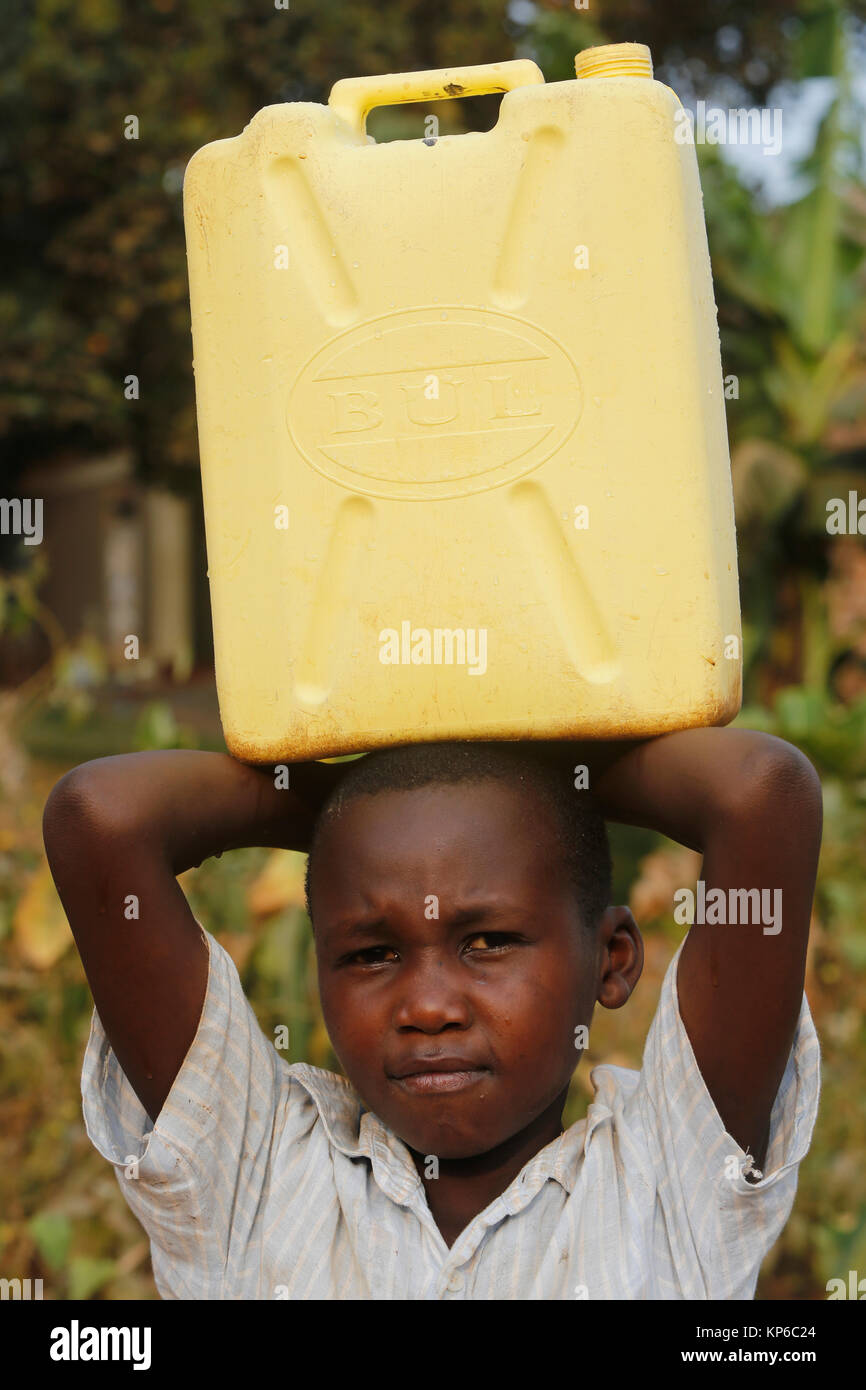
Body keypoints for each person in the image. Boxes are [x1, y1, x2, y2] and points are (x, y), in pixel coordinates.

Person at [41, 727, 822, 1299]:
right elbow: (99, 816)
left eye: (487, 942)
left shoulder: (667, 1188)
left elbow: (760, 793)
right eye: (371, 955)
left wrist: (543, 768)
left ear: (611, 960)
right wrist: (352, 800)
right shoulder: (253, 1177)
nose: (427, 1007)